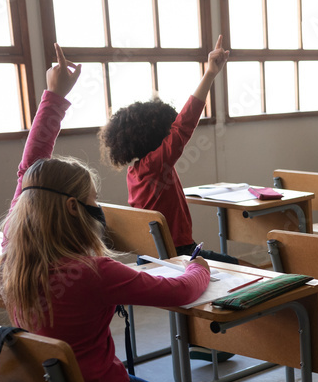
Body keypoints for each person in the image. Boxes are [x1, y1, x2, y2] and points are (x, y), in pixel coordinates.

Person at [0, 44, 241, 382]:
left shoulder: (13, 249)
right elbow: (181, 291)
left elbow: (29, 171)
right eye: (91, 200)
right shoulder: (94, 270)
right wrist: (197, 264)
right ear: (75, 209)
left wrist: (54, 97)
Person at [99, 35, 237, 263]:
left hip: (151, 254)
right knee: (252, 271)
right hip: (176, 257)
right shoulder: (154, 165)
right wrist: (210, 74)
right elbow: (184, 125)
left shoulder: (135, 171)